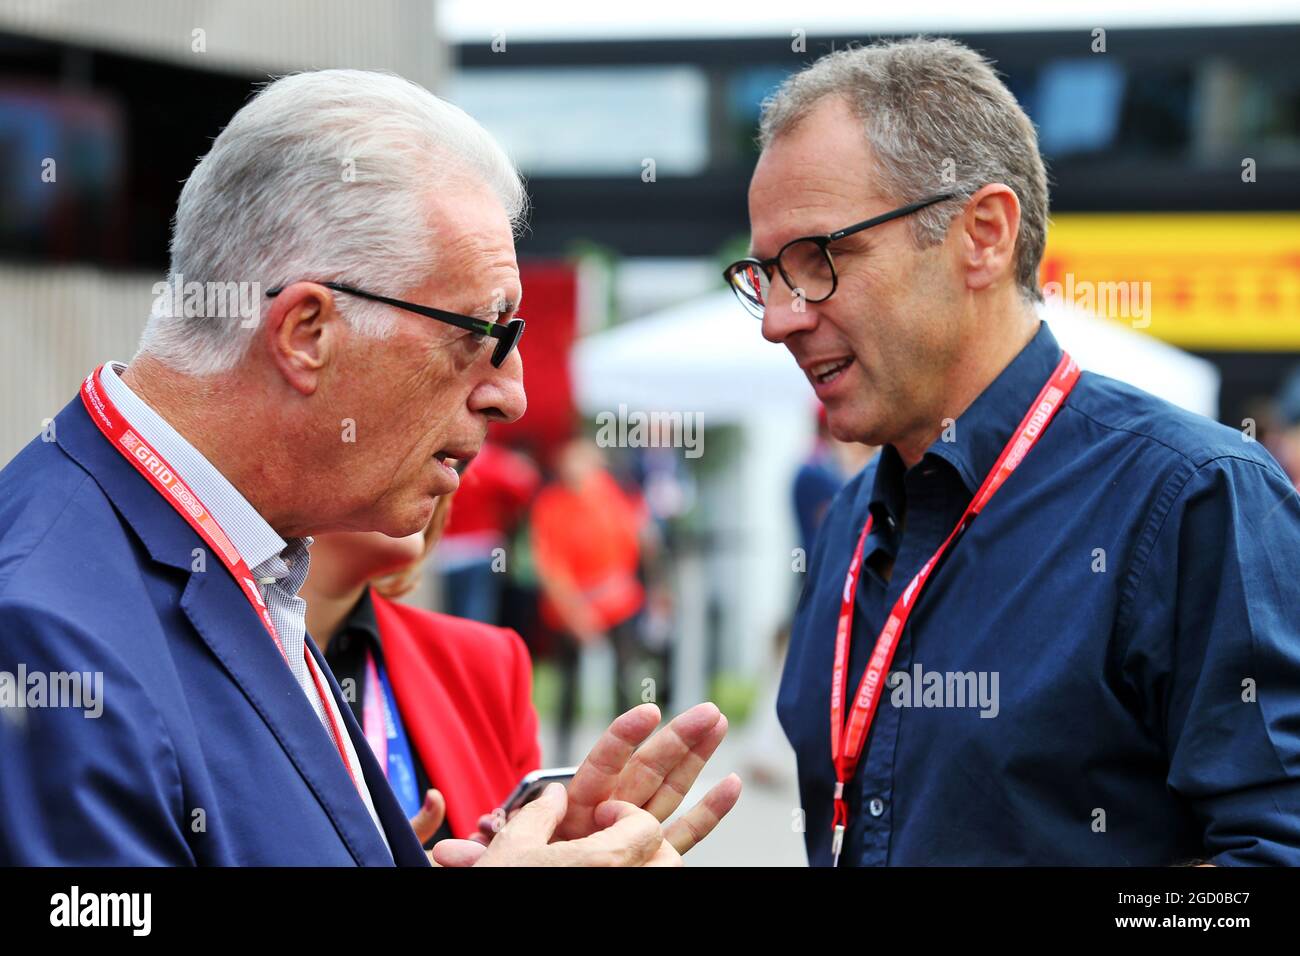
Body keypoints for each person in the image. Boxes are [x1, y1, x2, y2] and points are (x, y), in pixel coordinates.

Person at [0, 69, 737, 866]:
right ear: (307, 332)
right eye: (479, 333)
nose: (512, 396)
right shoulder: (42, 625)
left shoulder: (237, 549)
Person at [724, 37, 1300, 866]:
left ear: (983, 235)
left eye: (820, 260)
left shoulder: (1196, 500)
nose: (779, 317)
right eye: (765, 274)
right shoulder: (851, 523)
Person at [531, 438, 650, 763]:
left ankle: (629, 752)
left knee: (626, 680)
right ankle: (562, 758)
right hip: (570, 607)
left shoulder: (612, 495)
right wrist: (576, 613)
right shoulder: (551, 504)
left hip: (617, 603)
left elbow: (631, 545)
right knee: (568, 684)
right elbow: (551, 566)